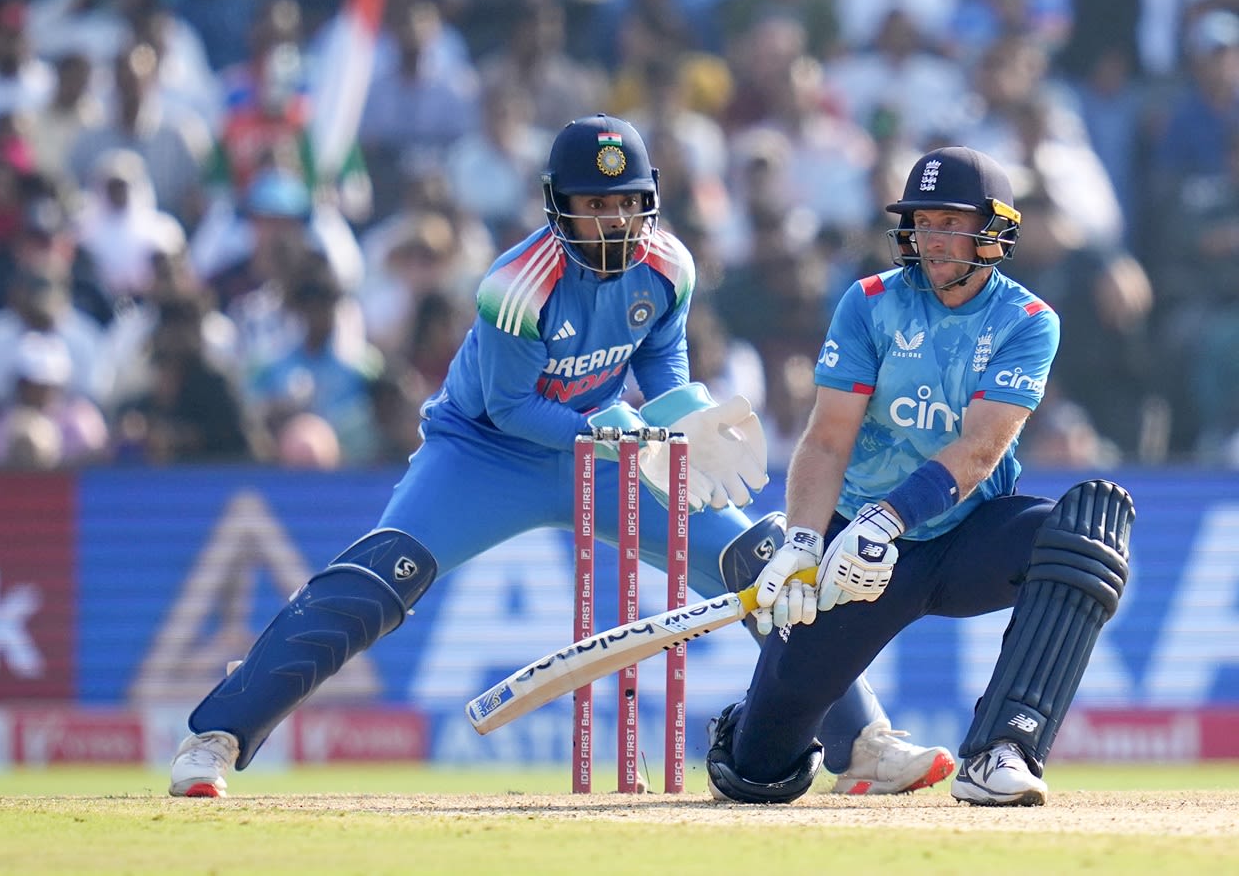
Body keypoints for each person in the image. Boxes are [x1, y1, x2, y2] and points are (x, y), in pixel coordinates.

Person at [167, 115, 954, 798]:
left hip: (607, 446)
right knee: (384, 577)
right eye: (593, 205)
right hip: (485, 452)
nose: (613, 222)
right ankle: (218, 735)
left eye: (626, 204)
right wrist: (603, 431)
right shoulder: (516, 284)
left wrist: (686, 416)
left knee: (759, 557)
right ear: (558, 207)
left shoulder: (668, 267)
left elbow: (661, 366)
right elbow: (511, 407)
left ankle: (862, 743)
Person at [706, 146, 1134, 808]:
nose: (933, 238)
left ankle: (1002, 750)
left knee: (1086, 529)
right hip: (858, 552)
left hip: (965, 535)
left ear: (995, 229)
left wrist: (889, 518)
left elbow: (981, 447)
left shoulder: (1027, 320)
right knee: (756, 772)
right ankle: (776, 720)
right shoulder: (871, 303)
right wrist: (803, 542)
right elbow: (825, 440)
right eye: (923, 221)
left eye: (950, 222)